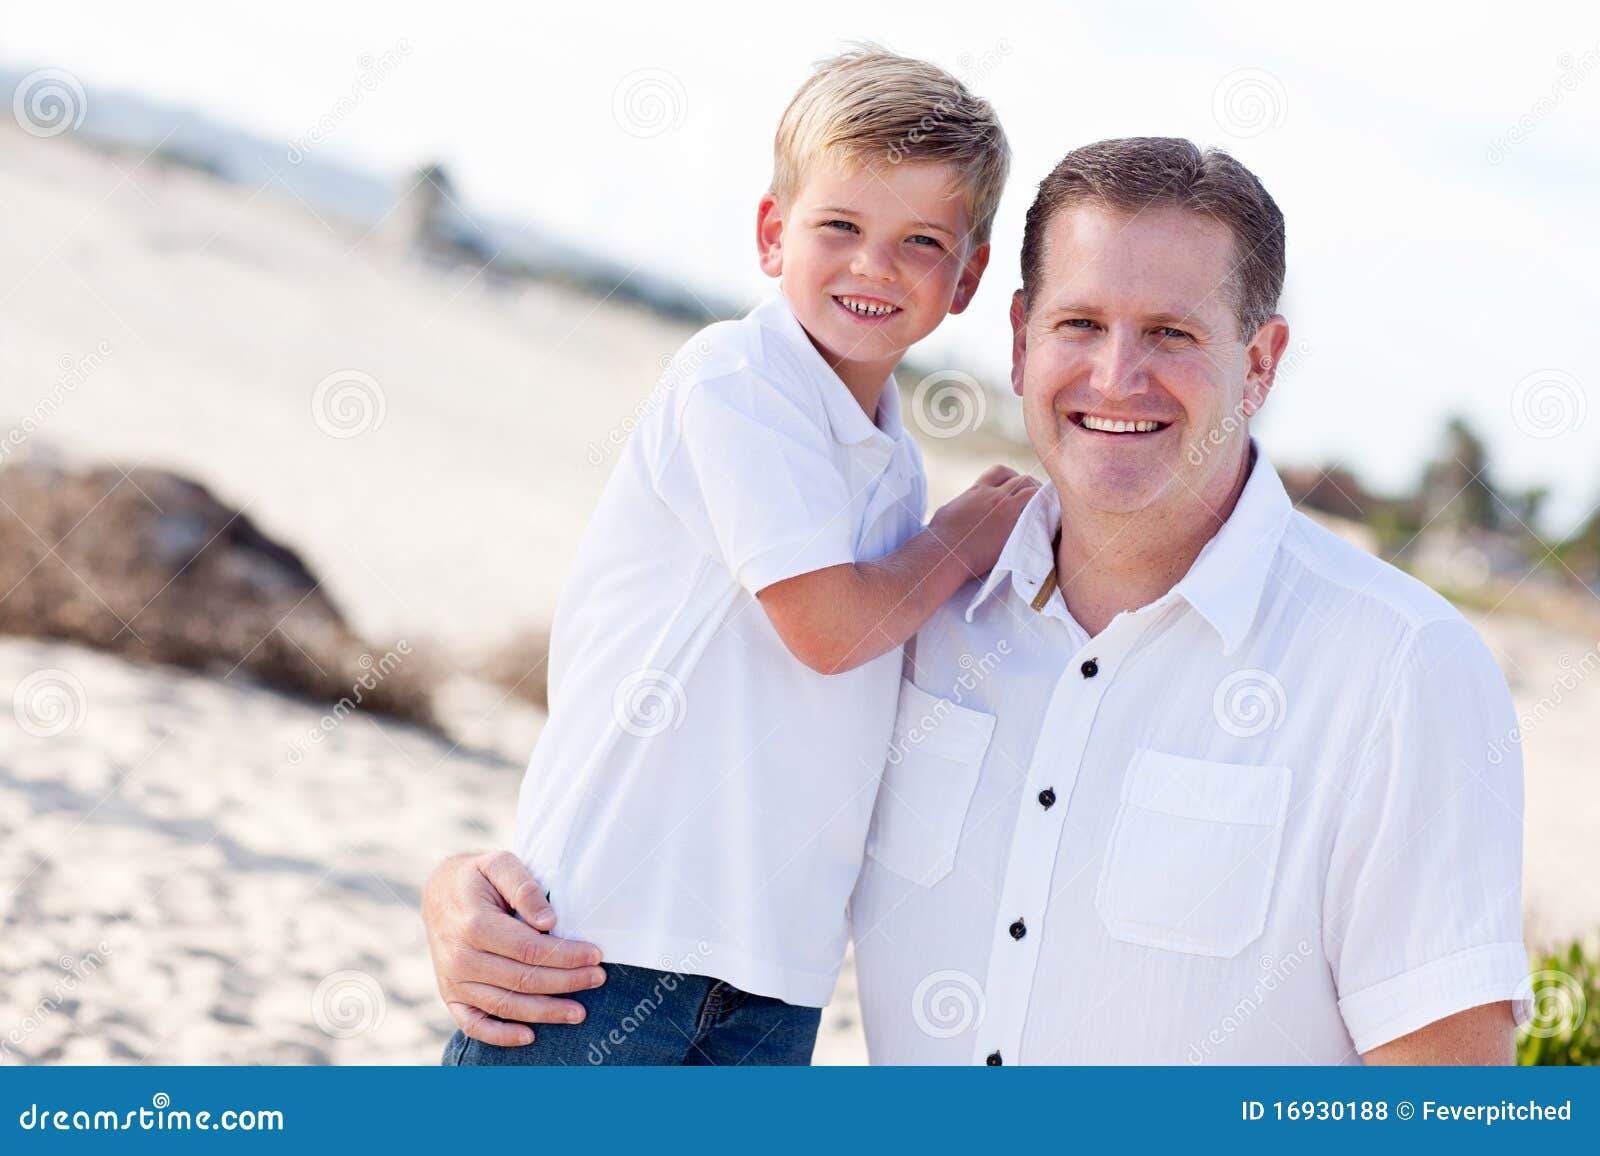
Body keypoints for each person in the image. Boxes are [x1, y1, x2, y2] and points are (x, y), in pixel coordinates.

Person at [425, 137, 1530, 1065]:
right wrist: (476, 889)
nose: (1114, 377)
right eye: (1080, 324)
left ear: (1260, 361)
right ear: (1013, 338)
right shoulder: (918, 612)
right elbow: (707, 770)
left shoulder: (1398, 668)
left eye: (1173, 335)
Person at [440, 46, 1031, 1066]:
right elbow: (830, 627)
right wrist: (959, 540)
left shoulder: (893, 460)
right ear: (772, 233)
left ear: (968, 276)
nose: (873, 265)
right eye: (839, 225)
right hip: (602, 936)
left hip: (777, 972)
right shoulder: (737, 378)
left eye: (920, 240)